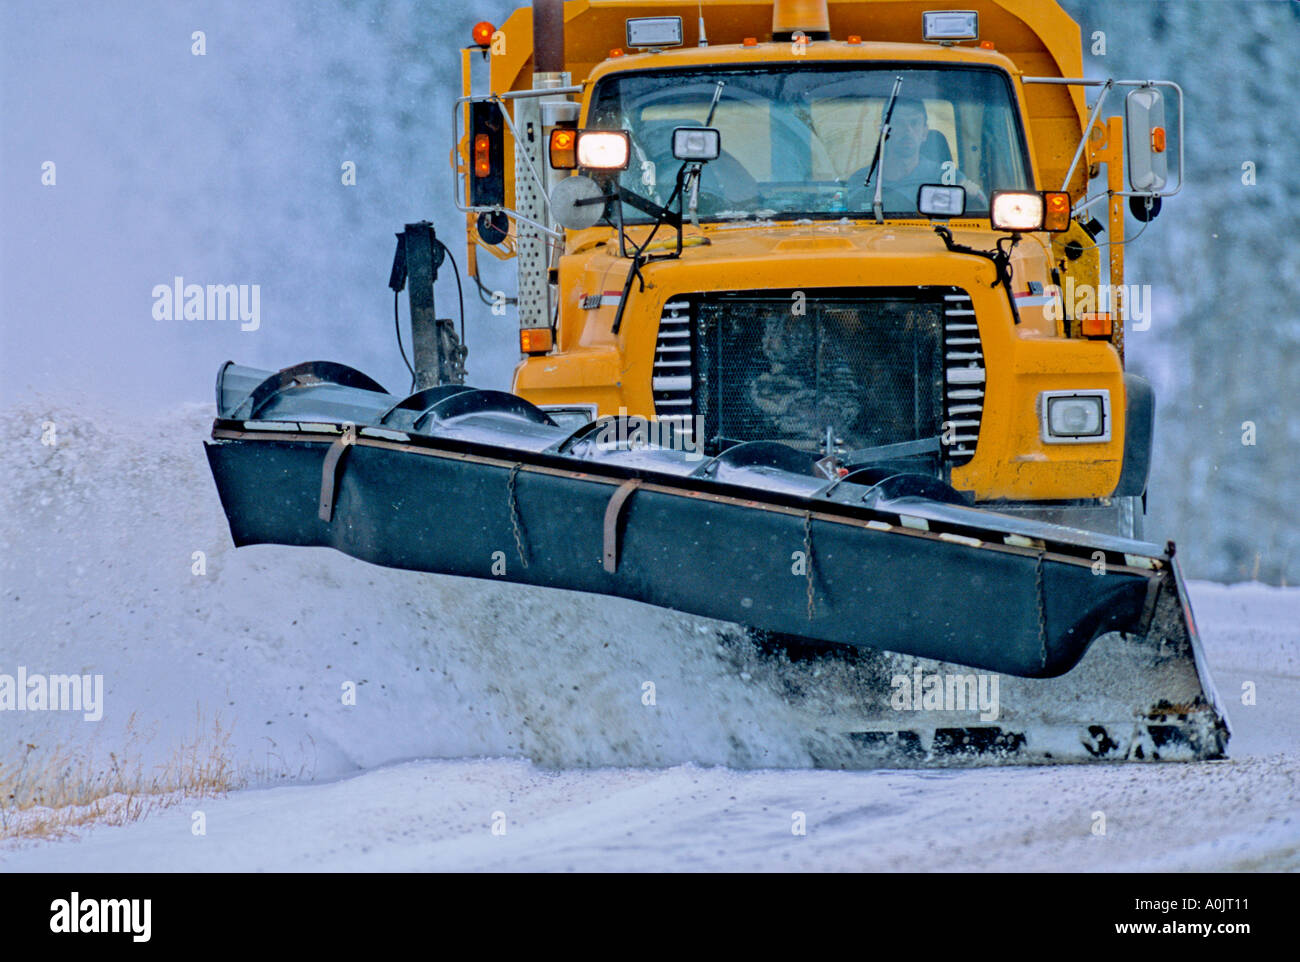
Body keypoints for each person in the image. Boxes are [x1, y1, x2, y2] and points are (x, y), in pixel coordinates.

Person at [846, 98, 986, 213]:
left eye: (914, 123)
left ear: (925, 132)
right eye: (899, 123)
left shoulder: (948, 179)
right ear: (884, 131)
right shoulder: (862, 182)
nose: (908, 131)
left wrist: (973, 196)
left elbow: (980, 210)